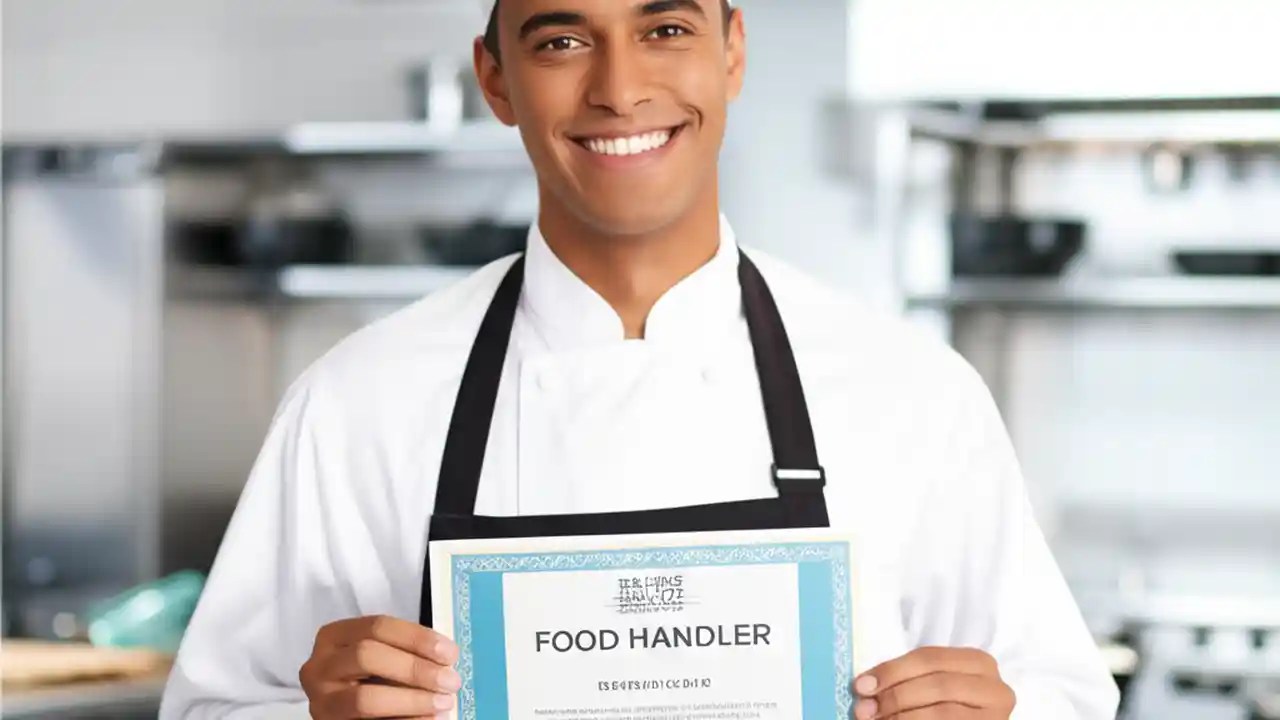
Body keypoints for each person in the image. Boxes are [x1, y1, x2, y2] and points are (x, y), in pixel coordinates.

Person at [161, 0, 1120, 718]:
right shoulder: (356, 401)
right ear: (495, 80)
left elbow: (1063, 693)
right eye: (562, 40)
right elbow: (210, 708)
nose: (619, 88)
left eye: (664, 28)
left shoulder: (913, 391)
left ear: (732, 51)